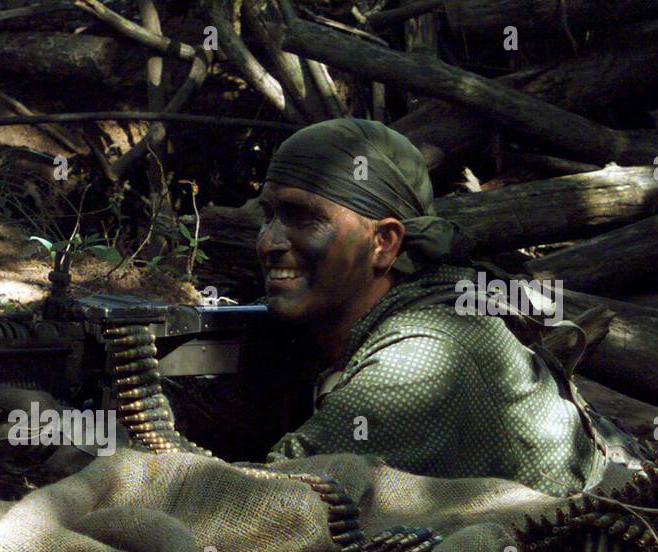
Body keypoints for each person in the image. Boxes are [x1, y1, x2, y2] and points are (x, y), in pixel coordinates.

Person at [247, 117, 621, 495]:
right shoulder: (383, 310)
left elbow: (272, 501)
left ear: (384, 243)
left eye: (305, 219)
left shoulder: (420, 360)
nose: (267, 242)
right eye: (267, 216)